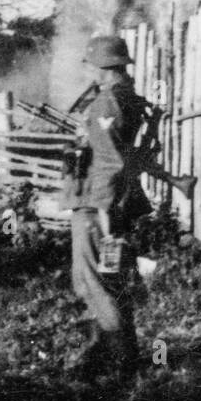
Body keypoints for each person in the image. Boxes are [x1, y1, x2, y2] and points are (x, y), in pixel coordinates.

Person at [62, 35, 153, 381]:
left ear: (103, 67)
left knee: (95, 281)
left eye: (89, 64)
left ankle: (120, 363)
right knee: (104, 280)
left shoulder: (105, 104)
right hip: (109, 203)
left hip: (96, 207)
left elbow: (110, 163)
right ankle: (108, 350)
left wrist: (103, 214)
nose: (86, 70)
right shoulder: (123, 99)